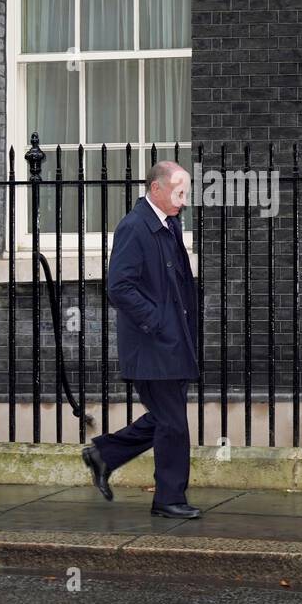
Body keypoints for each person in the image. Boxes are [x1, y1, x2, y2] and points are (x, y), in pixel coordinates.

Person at [80, 161, 201, 518]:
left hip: (173, 342)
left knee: (167, 417)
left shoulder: (169, 224)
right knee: (174, 424)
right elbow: (119, 286)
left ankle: (104, 454)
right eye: (179, 193)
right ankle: (169, 499)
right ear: (156, 189)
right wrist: (158, 321)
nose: (184, 200)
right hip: (153, 344)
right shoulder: (135, 227)